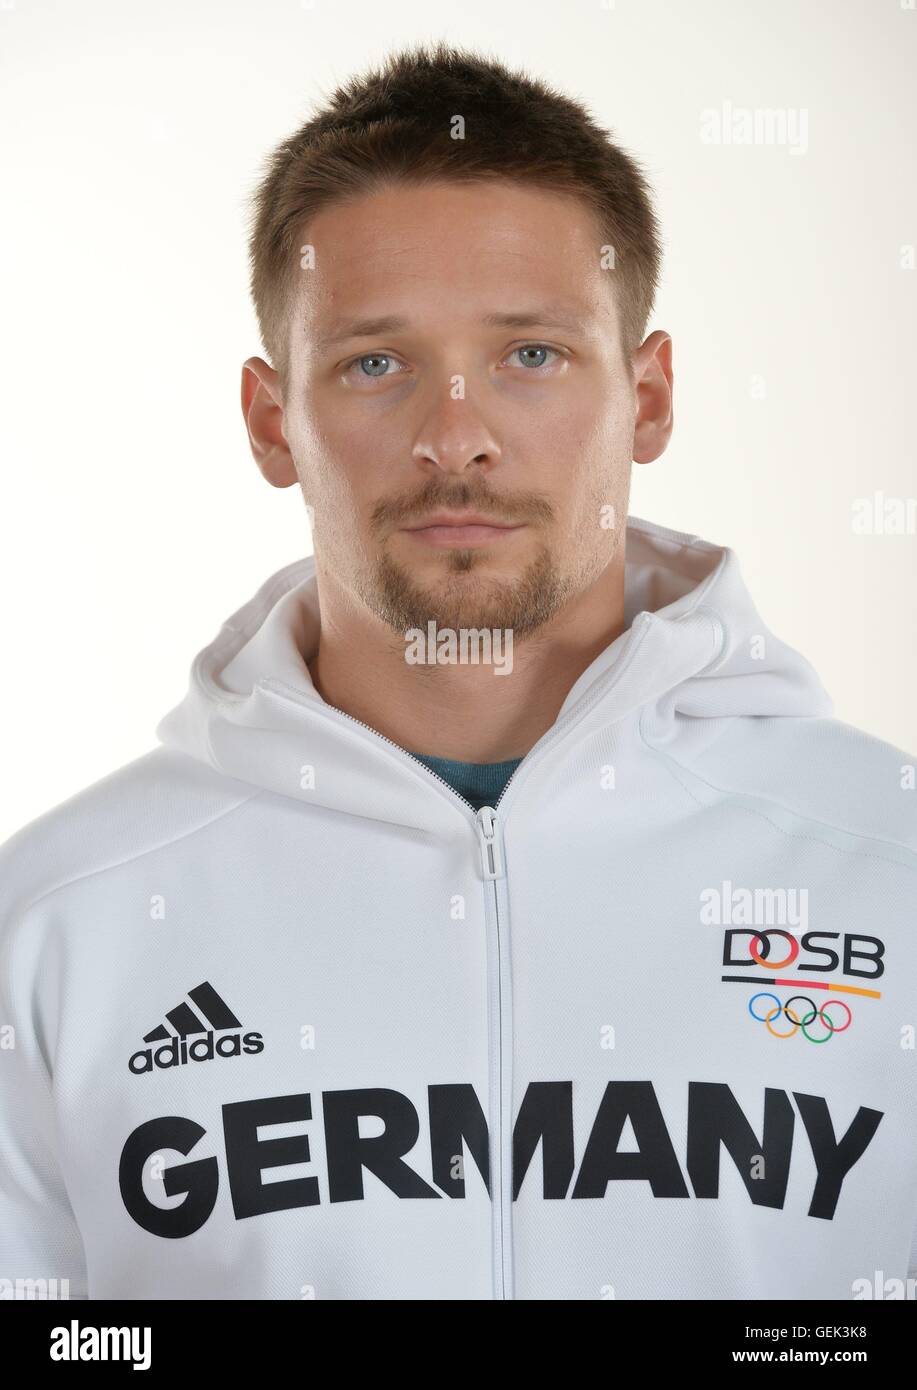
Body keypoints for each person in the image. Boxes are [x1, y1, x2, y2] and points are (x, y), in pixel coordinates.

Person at [2, 40, 916, 1303]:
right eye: (374, 362)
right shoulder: (53, 927)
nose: (455, 437)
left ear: (647, 396)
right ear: (274, 421)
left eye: (528, 355)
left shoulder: (886, 866)